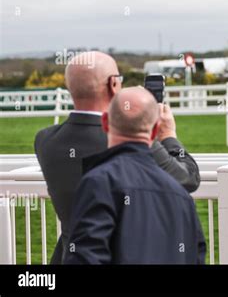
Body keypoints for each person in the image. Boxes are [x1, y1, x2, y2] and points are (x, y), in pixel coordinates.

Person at [34, 51, 200, 264]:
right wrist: (168, 135)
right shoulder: (131, 138)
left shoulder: (46, 140)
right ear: (113, 84)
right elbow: (187, 178)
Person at [63, 87, 206, 264]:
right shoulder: (181, 195)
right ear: (154, 132)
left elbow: (85, 257)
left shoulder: (98, 182)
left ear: (105, 122)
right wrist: (169, 135)